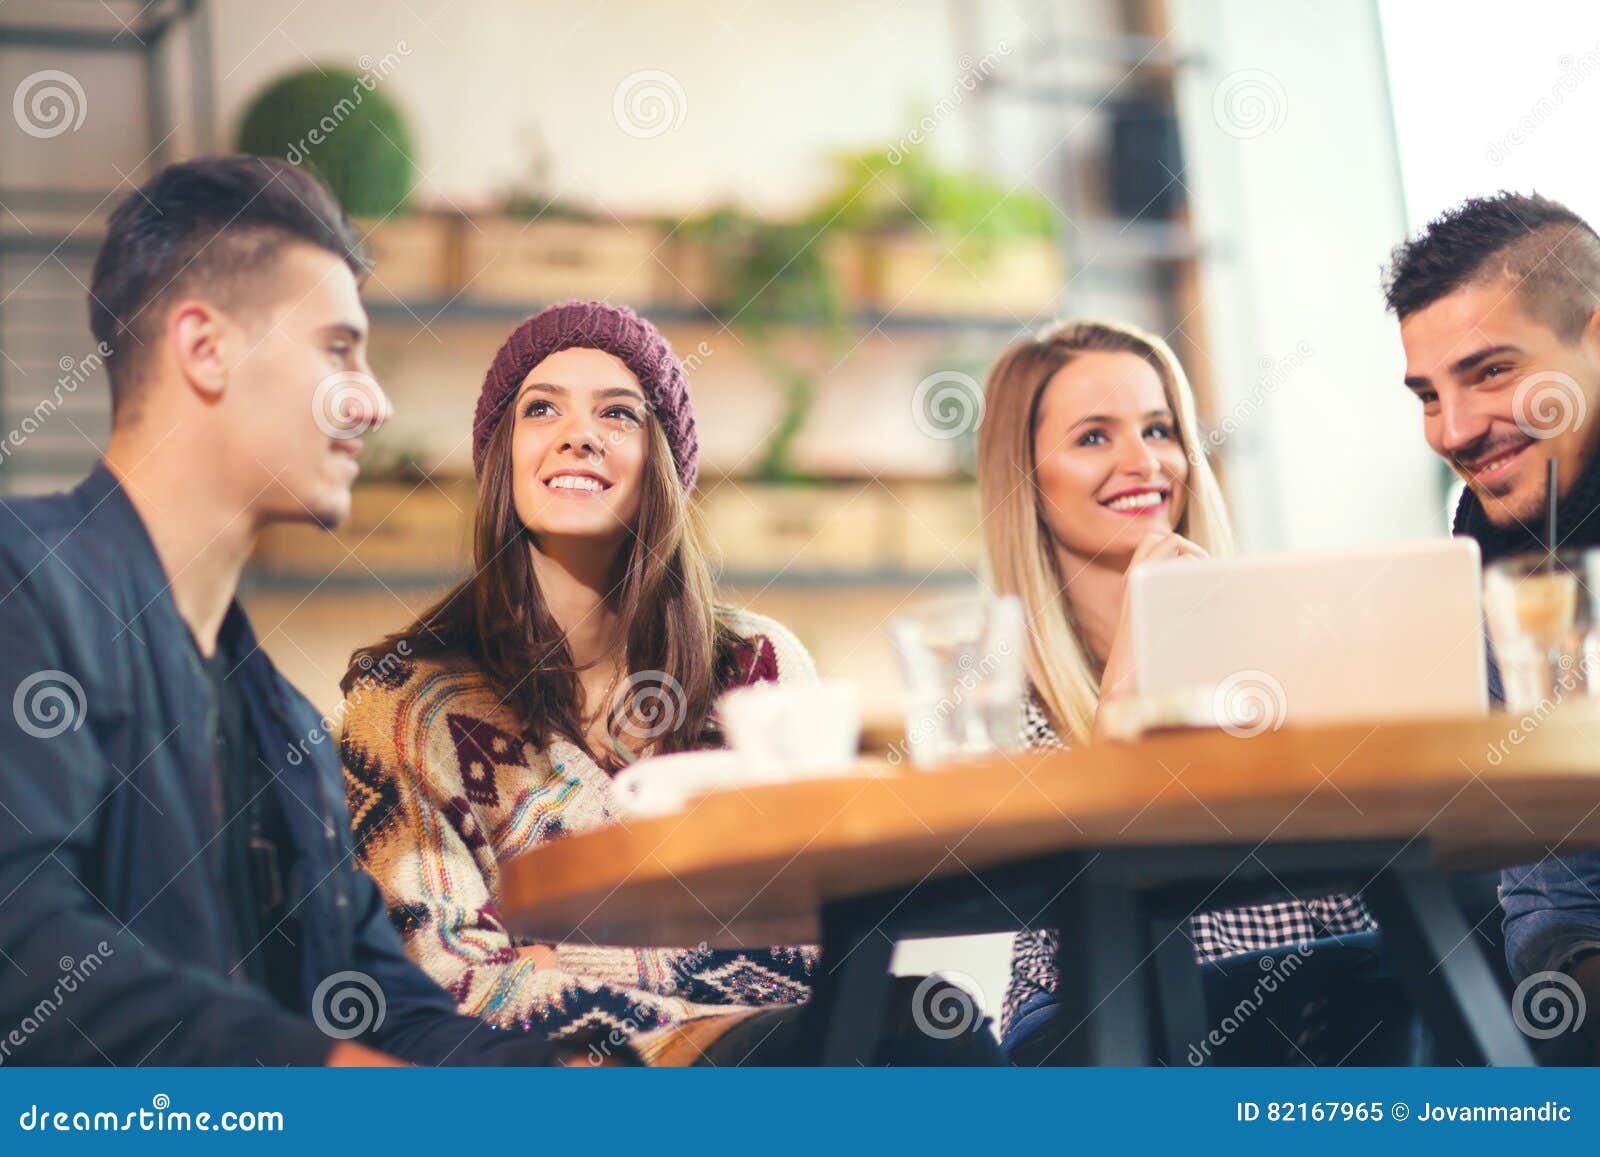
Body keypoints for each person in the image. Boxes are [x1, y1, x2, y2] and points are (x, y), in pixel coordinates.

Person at [0, 156, 578, 1066]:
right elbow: (24, 959)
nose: (374, 400)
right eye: (338, 348)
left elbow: (385, 1008)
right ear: (205, 347)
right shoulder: (22, 588)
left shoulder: (286, 728)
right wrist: (329, 1080)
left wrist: (570, 1082)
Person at [339, 301, 1002, 1065]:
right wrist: (693, 1004)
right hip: (580, 1084)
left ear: (664, 463)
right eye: (541, 407)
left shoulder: (757, 666)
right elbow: (444, 981)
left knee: (941, 1019)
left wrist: (564, 957)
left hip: (783, 1048)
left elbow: (824, 938)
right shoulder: (405, 703)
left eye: (619, 412)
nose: (578, 432)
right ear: (500, 458)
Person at [978, 320, 1403, 1065]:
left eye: (1159, 428)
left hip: (1332, 978)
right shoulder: (996, 693)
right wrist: (1144, 639)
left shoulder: (1282, 642)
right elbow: (1079, 868)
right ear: (1024, 478)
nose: (1144, 462)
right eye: (1092, 438)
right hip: (1104, 1009)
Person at [1384, 191, 1600, 1063]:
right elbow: (1559, 902)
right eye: (1428, 394)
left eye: (1490, 372)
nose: (1456, 430)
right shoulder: (1501, 577)